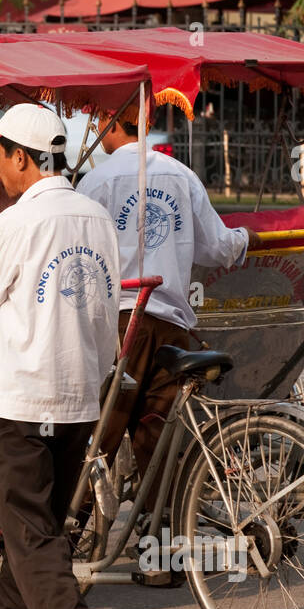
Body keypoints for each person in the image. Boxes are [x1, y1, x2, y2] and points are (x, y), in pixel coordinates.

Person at [0, 103, 121, 609]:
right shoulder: (96, 216)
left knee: (28, 528)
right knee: (43, 524)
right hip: (79, 393)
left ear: (19, 158)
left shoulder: (16, 223)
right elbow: (106, 312)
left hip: (23, 396)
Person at [76, 103, 258, 480]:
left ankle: (73, 527)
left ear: (110, 124)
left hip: (120, 329)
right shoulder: (181, 175)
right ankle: (159, 533)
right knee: (157, 444)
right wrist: (244, 239)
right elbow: (217, 247)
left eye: (97, 122)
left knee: (98, 443)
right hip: (171, 329)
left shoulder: (98, 182)